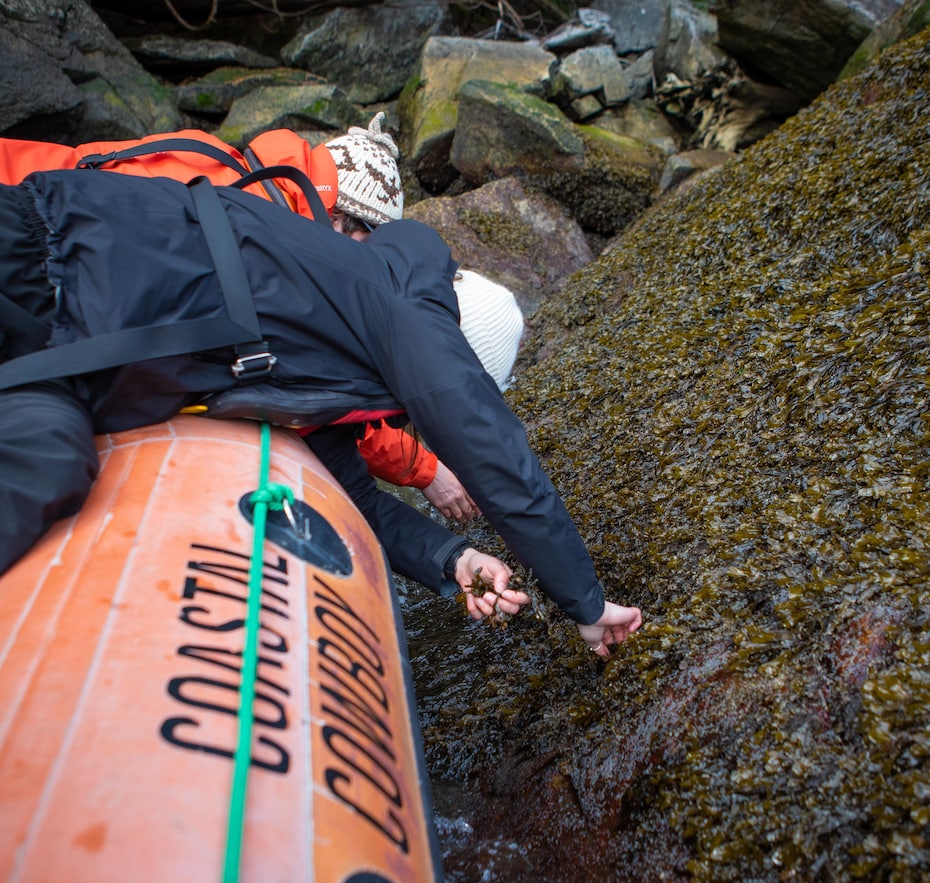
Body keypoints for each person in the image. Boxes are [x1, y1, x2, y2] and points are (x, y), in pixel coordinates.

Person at [0, 168, 642, 657]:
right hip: (50, 272)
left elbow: (349, 499)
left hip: (66, 317)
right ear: (457, 346)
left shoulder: (341, 331)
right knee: (50, 461)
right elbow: (493, 448)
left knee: (50, 449)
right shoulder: (405, 313)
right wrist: (584, 601)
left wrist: (453, 559)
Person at [0, 115, 481, 522]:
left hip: (28, 224)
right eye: (368, 251)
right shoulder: (269, 246)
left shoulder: (227, 168)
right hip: (35, 283)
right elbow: (321, 395)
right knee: (54, 462)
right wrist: (426, 469)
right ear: (341, 221)